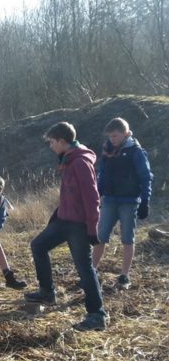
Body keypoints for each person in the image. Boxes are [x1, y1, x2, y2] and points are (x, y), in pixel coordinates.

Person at [25, 122, 108, 331]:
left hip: (79, 225)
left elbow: (92, 198)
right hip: (64, 220)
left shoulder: (80, 163)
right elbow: (70, 196)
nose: (50, 146)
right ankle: (47, 292)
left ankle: (97, 315)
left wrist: (92, 228)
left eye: (52, 142)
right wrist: (58, 215)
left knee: (84, 268)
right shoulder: (68, 161)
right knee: (38, 245)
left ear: (62, 141)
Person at [92, 118, 153, 290]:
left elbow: (146, 177)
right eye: (110, 136)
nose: (112, 139)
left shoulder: (136, 152)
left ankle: (124, 276)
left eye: (115, 136)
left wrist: (145, 201)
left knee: (127, 238)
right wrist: (98, 193)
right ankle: (91, 271)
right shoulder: (107, 150)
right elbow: (101, 174)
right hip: (110, 200)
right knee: (100, 236)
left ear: (126, 133)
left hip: (129, 201)